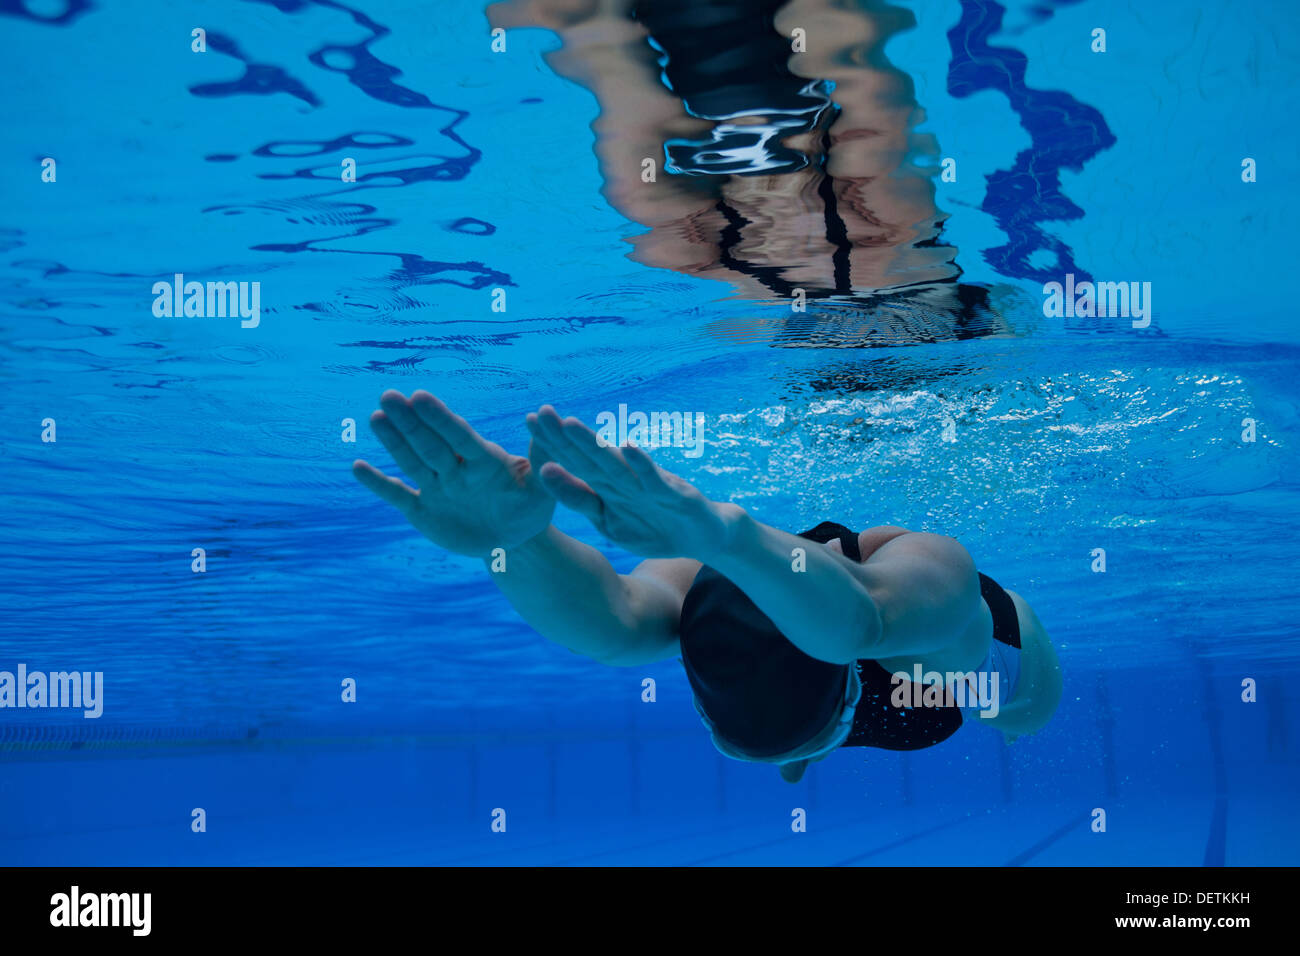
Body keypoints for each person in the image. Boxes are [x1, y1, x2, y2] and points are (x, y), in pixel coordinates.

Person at [353, 389, 1063, 783]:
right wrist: (516, 541)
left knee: (1020, 712)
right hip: (802, 681)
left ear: (848, 691)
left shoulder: (907, 582)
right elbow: (617, 622)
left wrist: (727, 536)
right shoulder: (705, 592)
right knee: (771, 734)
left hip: (947, 668)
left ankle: (799, 741)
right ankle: (788, 741)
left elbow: (863, 626)